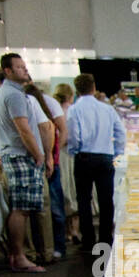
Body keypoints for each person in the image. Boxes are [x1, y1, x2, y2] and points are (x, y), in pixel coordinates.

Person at [0, 54, 48, 273]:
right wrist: (39, 153)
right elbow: (23, 129)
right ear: (8, 71)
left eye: (25, 66)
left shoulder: (10, 94)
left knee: (22, 208)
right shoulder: (14, 96)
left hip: (15, 154)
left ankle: (18, 255)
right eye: (19, 67)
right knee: (21, 209)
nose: (25, 70)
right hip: (20, 155)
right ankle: (18, 256)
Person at [66, 72, 125, 260]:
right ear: (94, 87)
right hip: (105, 157)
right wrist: (116, 151)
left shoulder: (74, 110)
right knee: (106, 199)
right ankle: (106, 239)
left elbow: (73, 134)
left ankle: (88, 240)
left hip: (84, 157)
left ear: (77, 89)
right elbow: (120, 132)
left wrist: (75, 150)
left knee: (84, 199)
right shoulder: (107, 109)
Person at [24, 84, 61, 261]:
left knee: (27, 210)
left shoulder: (26, 104)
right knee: (46, 207)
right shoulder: (40, 106)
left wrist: (46, 156)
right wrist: (49, 157)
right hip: (43, 161)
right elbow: (49, 129)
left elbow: (48, 129)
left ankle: (31, 252)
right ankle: (50, 250)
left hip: (30, 160)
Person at [53, 83, 81, 245]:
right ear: (71, 96)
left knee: (62, 193)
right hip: (71, 156)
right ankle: (75, 230)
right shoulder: (72, 112)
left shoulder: (53, 112)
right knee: (74, 192)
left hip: (59, 157)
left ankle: (66, 232)